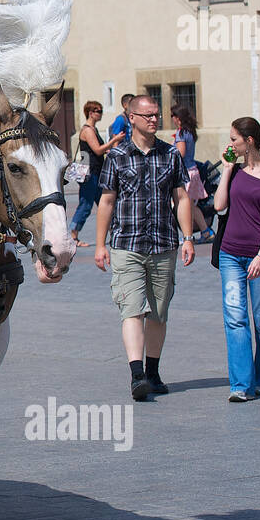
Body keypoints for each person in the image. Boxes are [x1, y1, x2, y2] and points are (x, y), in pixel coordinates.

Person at [94, 94, 195, 401]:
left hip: (164, 244)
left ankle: (153, 370)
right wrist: (100, 244)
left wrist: (188, 237)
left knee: (159, 313)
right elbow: (106, 201)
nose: (154, 119)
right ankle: (137, 374)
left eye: (156, 115)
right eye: (148, 115)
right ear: (132, 118)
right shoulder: (117, 155)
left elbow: (182, 198)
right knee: (132, 309)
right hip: (127, 244)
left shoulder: (169, 154)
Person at [212, 116, 260, 402]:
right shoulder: (235, 171)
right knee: (235, 318)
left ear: (248, 141)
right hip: (230, 254)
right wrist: (227, 171)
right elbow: (219, 206)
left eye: (233, 139)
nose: (230, 144)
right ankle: (241, 384)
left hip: (259, 258)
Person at [69, 101, 124, 247]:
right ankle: (73, 236)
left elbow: (99, 151)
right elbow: (97, 150)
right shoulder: (87, 130)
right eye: (98, 111)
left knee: (107, 203)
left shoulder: (93, 129)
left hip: (98, 172)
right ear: (90, 113)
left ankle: (115, 234)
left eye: (101, 110)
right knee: (86, 205)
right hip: (90, 174)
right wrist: (114, 140)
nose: (100, 113)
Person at [171, 104, 213, 242]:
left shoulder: (181, 133)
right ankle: (206, 231)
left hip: (185, 173)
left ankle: (186, 236)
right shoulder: (190, 131)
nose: (171, 119)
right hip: (193, 171)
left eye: (172, 116)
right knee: (191, 205)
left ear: (178, 118)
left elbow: (180, 153)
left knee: (182, 205)